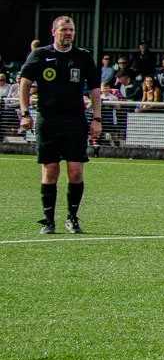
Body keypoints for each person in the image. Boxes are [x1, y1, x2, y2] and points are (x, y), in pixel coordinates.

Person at [17, 16, 101, 234]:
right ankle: (48, 220)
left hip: (75, 120)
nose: (68, 33)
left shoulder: (82, 57)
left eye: (71, 30)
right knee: (51, 170)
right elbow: (24, 83)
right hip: (48, 119)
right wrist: (25, 113)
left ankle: (72, 218)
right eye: (64, 29)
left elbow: (94, 89)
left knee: (75, 170)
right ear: (54, 32)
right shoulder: (40, 54)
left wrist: (97, 118)